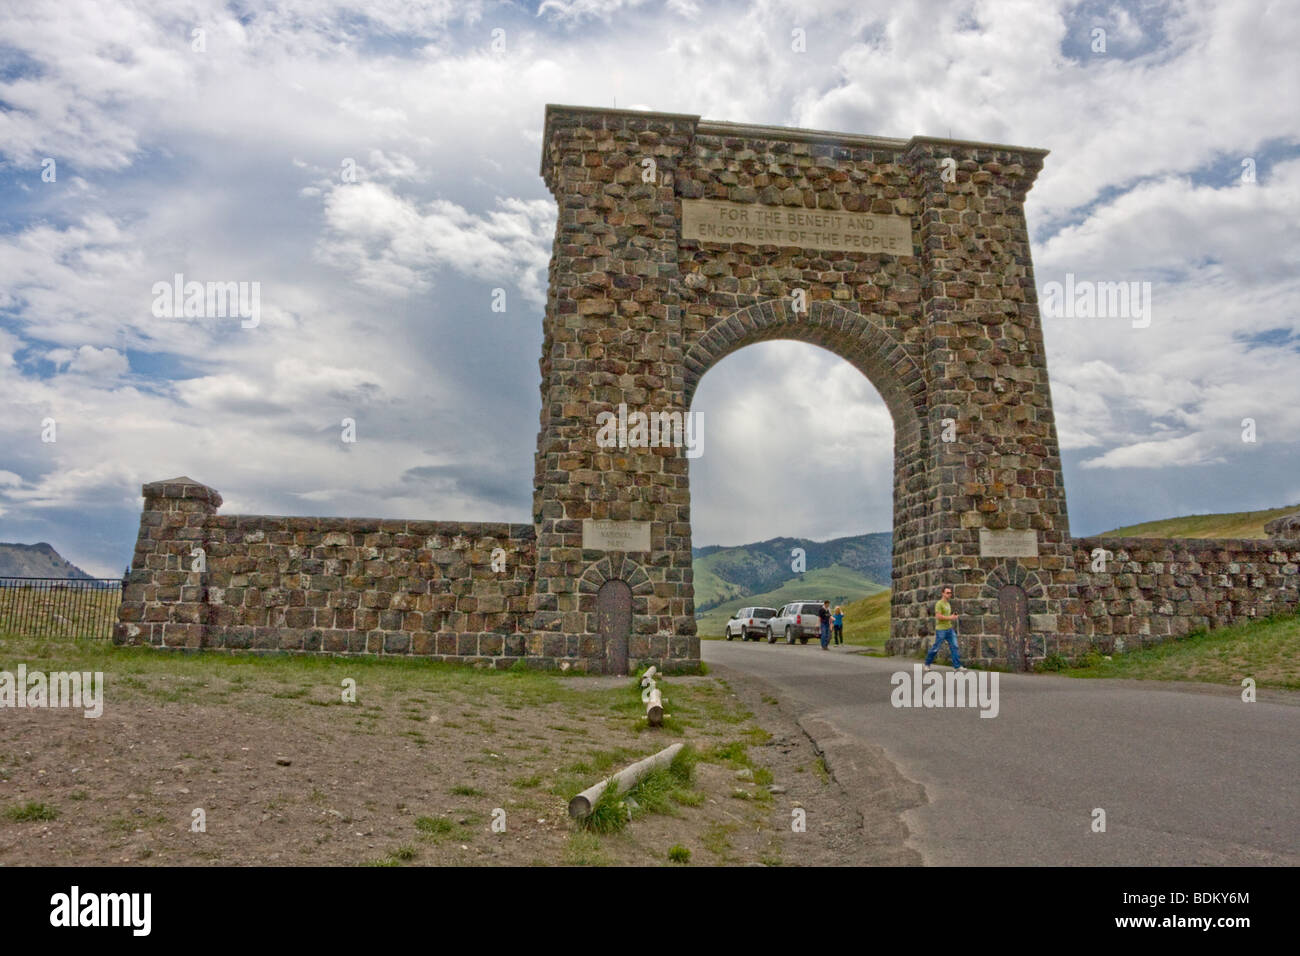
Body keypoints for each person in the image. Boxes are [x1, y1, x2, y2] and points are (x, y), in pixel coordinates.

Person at [924, 586, 964, 670]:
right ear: (943, 593)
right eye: (947, 593)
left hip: (949, 629)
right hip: (941, 630)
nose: (949, 594)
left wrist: (953, 616)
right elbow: (938, 616)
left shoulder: (948, 604)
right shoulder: (939, 604)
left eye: (950, 593)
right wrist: (950, 618)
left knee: (955, 646)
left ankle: (957, 666)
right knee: (936, 647)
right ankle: (927, 664)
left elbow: (947, 616)